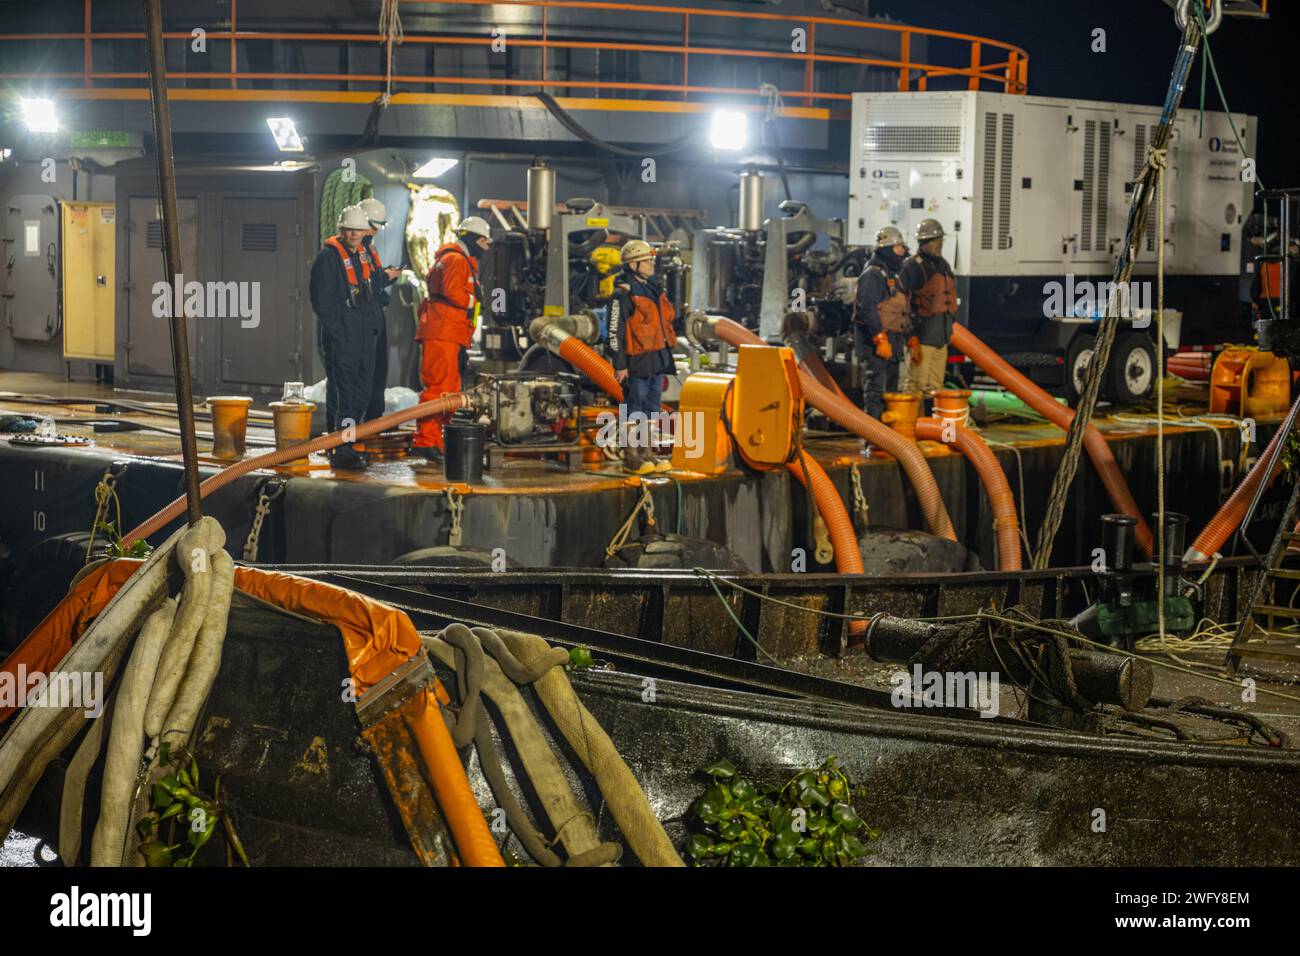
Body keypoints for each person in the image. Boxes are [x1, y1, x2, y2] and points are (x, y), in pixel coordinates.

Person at [308, 203, 396, 470]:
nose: (355, 235)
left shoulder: (361, 256)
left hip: (363, 334)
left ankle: (349, 441)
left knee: (361, 392)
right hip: (345, 336)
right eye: (350, 230)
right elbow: (322, 302)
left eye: (359, 231)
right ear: (342, 230)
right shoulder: (328, 259)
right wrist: (339, 335)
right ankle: (342, 447)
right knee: (345, 395)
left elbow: (368, 293)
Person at [412, 216, 491, 462]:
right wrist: (475, 300)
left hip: (449, 332)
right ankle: (426, 441)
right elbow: (453, 292)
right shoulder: (456, 260)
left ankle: (436, 440)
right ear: (474, 239)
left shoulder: (454, 259)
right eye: (485, 241)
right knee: (438, 389)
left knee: (449, 390)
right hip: (443, 332)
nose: (487, 247)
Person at [608, 239, 675, 475]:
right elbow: (614, 330)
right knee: (633, 408)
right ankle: (632, 455)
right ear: (634, 265)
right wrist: (620, 364)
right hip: (635, 362)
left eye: (651, 260)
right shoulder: (622, 293)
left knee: (651, 409)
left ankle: (647, 453)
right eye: (647, 261)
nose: (652, 265)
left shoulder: (654, 289)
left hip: (656, 360)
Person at [853, 225, 911, 421]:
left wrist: (909, 338)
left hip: (893, 344)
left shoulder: (892, 273)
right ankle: (874, 440)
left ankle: (887, 439)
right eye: (898, 246)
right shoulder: (873, 274)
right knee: (875, 394)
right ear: (887, 248)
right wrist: (879, 338)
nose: (903, 250)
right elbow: (866, 308)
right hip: (876, 347)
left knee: (890, 395)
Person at [899, 218, 958, 407]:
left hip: (941, 339)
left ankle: (931, 430)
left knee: (935, 389)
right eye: (935, 240)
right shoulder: (912, 267)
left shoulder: (943, 265)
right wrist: (911, 337)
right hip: (922, 340)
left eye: (941, 239)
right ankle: (907, 431)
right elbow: (904, 305)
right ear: (923, 243)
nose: (939, 244)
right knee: (915, 387)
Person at [358, 196, 401, 421]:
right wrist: (384, 277)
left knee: (378, 370)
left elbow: (372, 279)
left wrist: (386, 276)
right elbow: (360, 284)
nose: (375, 232)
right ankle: (359, 426)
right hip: (361, 319)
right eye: (373, 227)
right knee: (363, 373)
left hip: (376, 315)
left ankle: (374, 421)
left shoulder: (370, 249)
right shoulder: (349, 251)